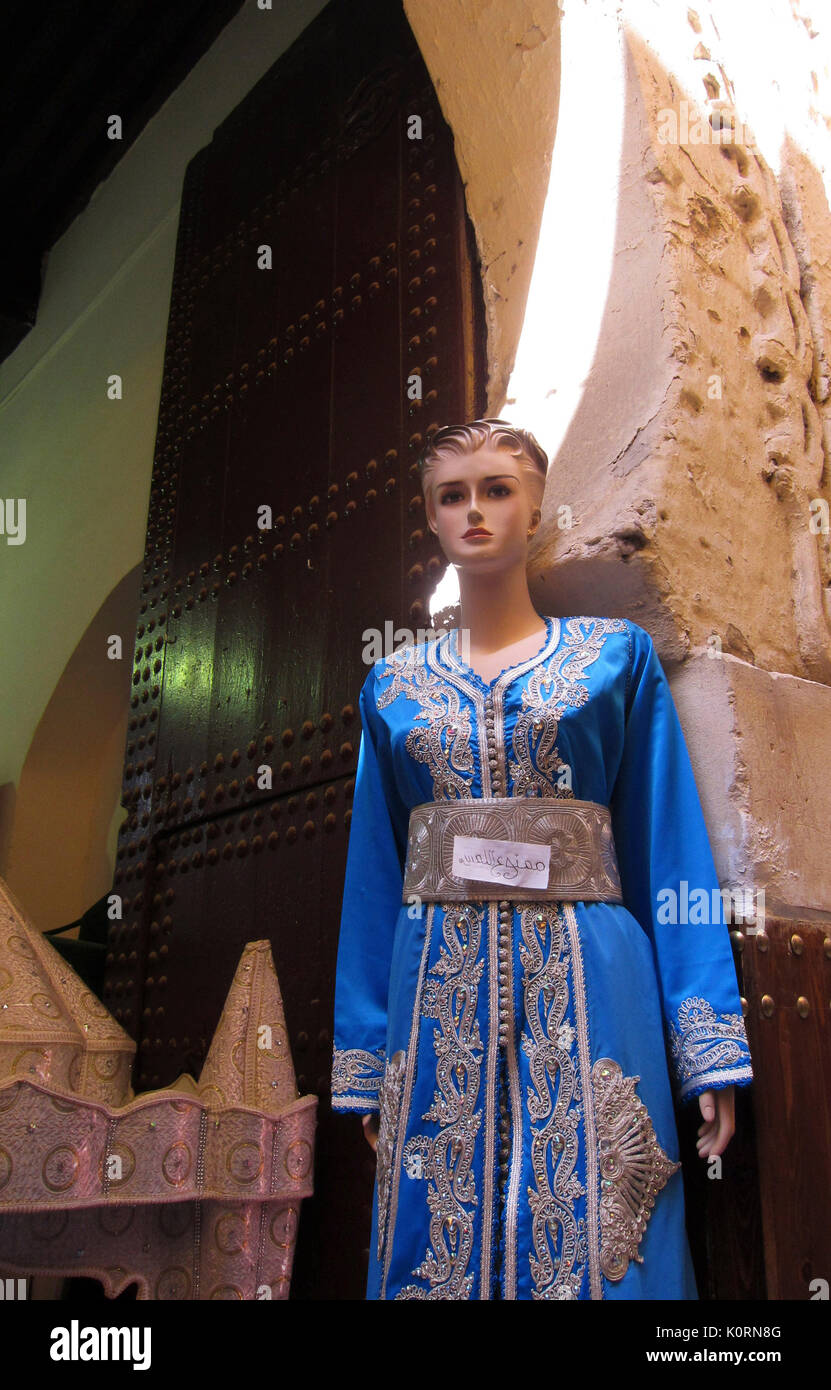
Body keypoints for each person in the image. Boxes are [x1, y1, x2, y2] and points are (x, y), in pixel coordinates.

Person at [330, 417, 753, 1300]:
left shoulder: (612, 658)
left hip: (594, 977)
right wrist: (364, 1057)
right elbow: (374, 878)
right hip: (434, 981)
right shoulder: (393, 688)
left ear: (535, 509)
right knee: (436, 1215)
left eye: (497, 490)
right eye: (452, 495)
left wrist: (706, 1045)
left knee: (599, 1210)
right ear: (431, 519)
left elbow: (665, 844)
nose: (474, 511)